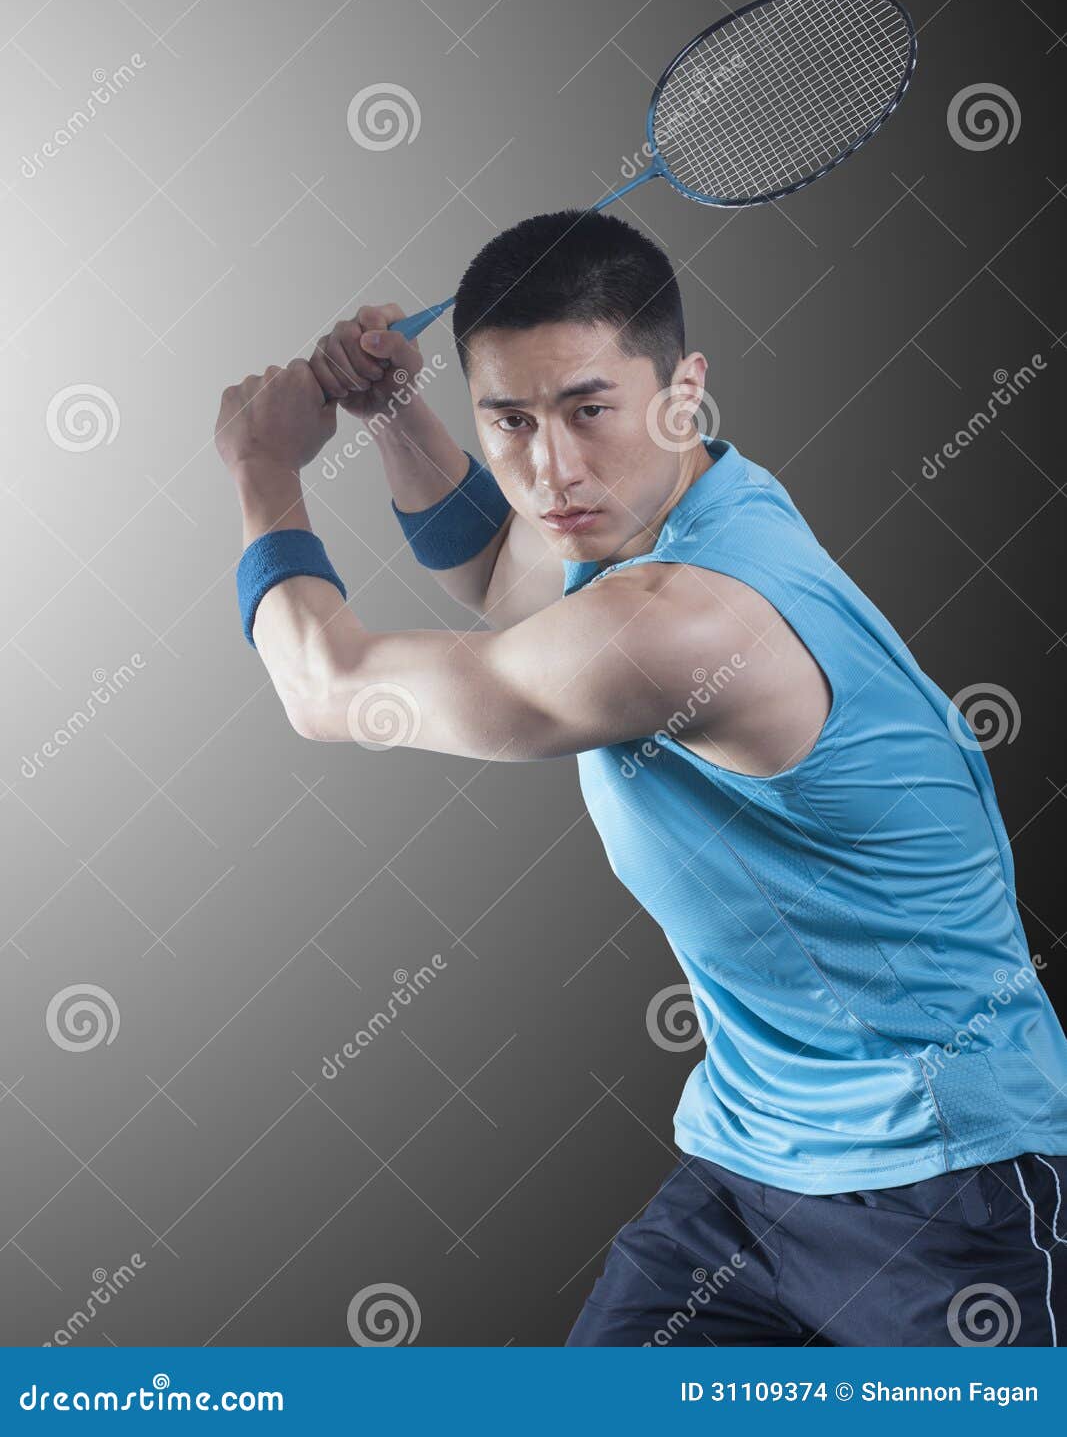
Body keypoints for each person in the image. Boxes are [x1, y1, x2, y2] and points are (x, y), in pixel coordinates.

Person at [215, 209, 1067, 1346]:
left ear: (682, 391)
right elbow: (502, 570)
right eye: (509, 420)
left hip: (944, 1187)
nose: (551, 470)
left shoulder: (683, 623)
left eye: (587, 410)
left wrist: (263, 467)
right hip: (744, 1174)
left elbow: (328, 689)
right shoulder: (678, 502)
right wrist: (392, 412)